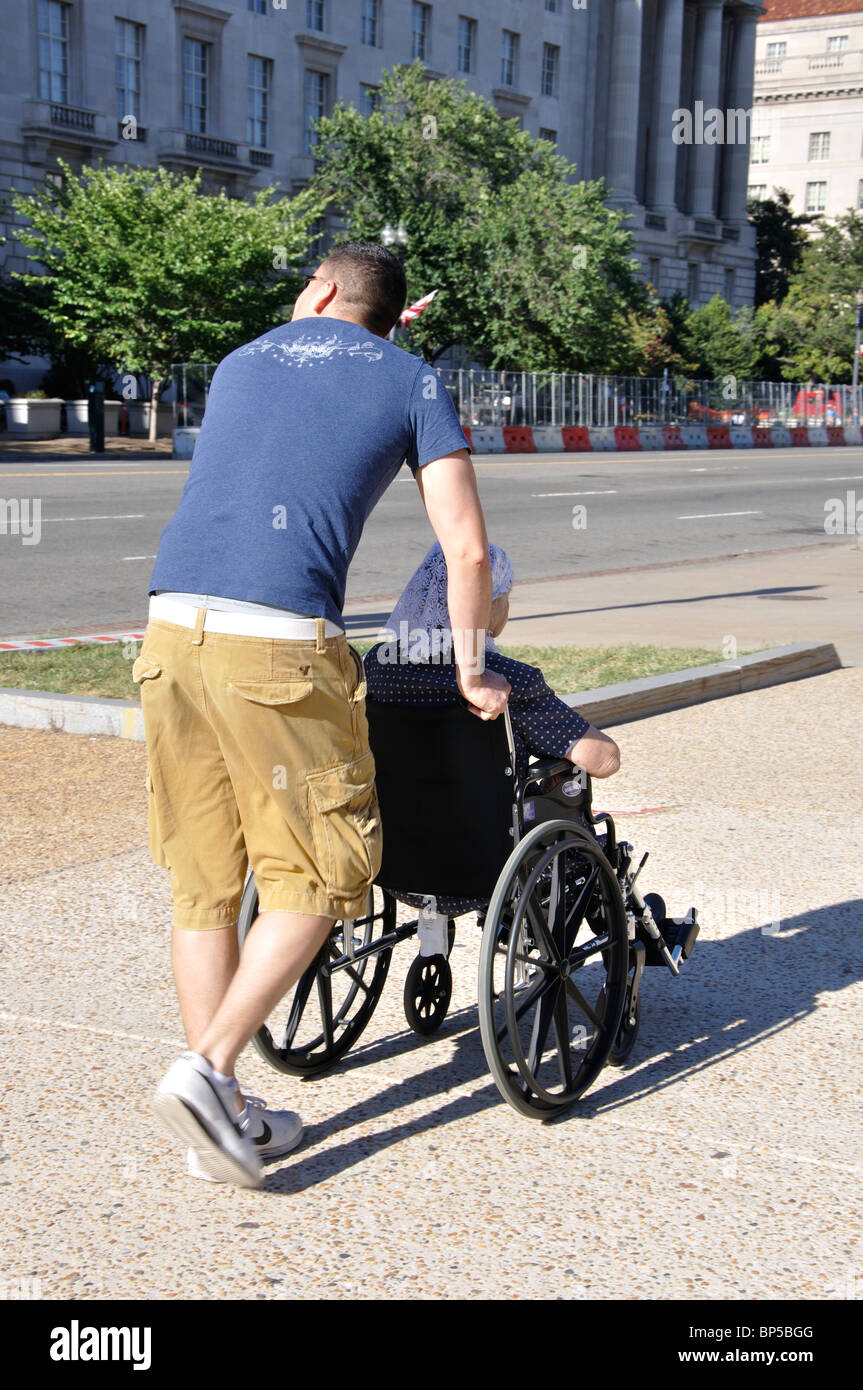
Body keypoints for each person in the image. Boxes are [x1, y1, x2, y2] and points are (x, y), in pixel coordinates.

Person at [139, 242, 510, 1188]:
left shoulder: (238, 362)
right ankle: (209, 1069)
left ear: (320, 289)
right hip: (278, 644)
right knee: (324, 871)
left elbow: (307, 388)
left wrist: (376, 337)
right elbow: (466, 552)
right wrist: (470, 670)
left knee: (204, 882)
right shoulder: (412, 381)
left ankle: (223, 1118)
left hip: (171, 629)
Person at [363, 542, 620, 919]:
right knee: (567, 779)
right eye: (505, 596)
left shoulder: (377, 668)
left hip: (395, 865)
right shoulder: (503, 681)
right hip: (490, 870)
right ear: (483, 604)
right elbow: (603, 760)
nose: (507, 607)